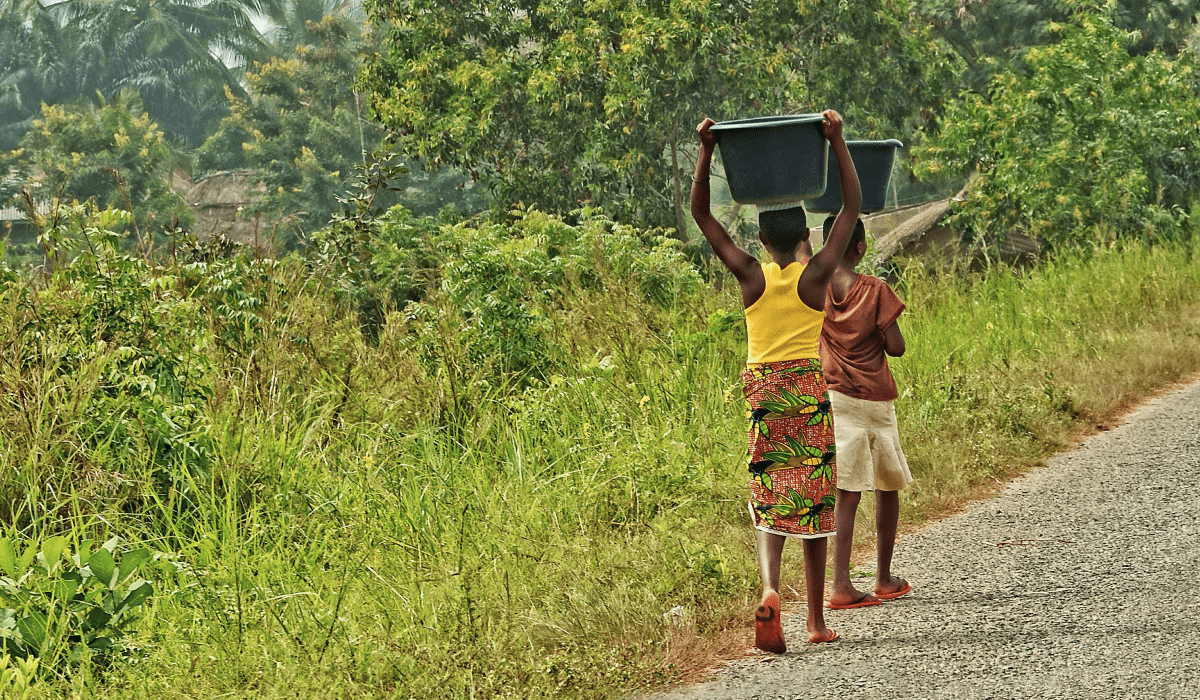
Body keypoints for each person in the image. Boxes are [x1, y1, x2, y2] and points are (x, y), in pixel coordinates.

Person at [691, 110, 861, 652]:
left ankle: (769, 587)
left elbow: (701, 213)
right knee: (813, 501)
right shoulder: (814, 278)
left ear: (761, 239)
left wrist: (706, 151)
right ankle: (813, 622)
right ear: (806, 238)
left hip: (763, 392)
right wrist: (835, 141)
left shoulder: (750, 276)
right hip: (807, 393)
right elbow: (852, 207)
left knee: (769, 491)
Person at [808, 216, 914, 610]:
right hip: (875, 401)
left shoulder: (814, 288)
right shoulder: (875, 290)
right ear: (860, 248)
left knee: (846, 492)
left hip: (836, 399)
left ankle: (840, 582)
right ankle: (884, 578)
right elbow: (897, 347)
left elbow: (805, 255)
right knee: (887, 486)